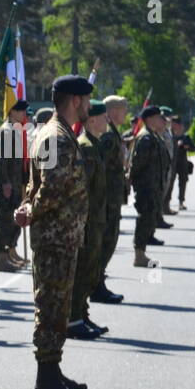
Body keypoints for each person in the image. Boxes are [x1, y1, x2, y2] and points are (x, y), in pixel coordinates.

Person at [16, 75, 93, 389]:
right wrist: (31, 211)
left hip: (59, 236)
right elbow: (52, 187)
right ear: (75, 100)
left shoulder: (54, 132)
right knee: (51, 307)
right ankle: (46, 381)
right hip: (55, 237)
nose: (89, 105)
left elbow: (38, 185)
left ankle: (52, 372)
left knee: (56, 306)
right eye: (86, 100)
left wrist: (28, 206)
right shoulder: (57, 137)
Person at [67, 101, 110, 340]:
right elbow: (83, 188)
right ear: (91, 120)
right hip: (88, 219)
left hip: (96, 217)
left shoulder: (94, 144)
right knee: (83, 269)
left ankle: (81, 314)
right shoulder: (86, 146)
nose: (107, 121)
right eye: (103, 117)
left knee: (91, 268)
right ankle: (73, 319)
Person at [91, 96, 128, 303]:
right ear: (113, 111)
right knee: (105, 243)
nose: (125, 114)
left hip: (112, 199)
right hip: (106, 200)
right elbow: (100, 167)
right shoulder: (108, 138)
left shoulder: (113, 134)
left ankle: (98, 282)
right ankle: (96, 286)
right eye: (123, 110)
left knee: (109, 242)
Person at [0, 98, 30, 272]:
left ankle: (10, 252)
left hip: (16, 183)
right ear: (12, 111)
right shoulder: (6, 131)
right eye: (21, 111)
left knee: (15, 221)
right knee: (5, 221)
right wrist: (5, 182)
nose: (24, 114)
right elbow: (0, 161)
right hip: (9, 184)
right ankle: (1, 258)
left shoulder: (15, 130)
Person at [130, 106, 169, 269]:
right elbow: (138, 164)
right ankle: (139, 254)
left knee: (149, 218)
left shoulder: (153, 136)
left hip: (153, 186)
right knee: (144, 218)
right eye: (158, 117)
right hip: (146, 187)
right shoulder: (146, 138)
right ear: (150, 119)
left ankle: (141, 252)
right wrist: (140, 184)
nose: (161, 120)